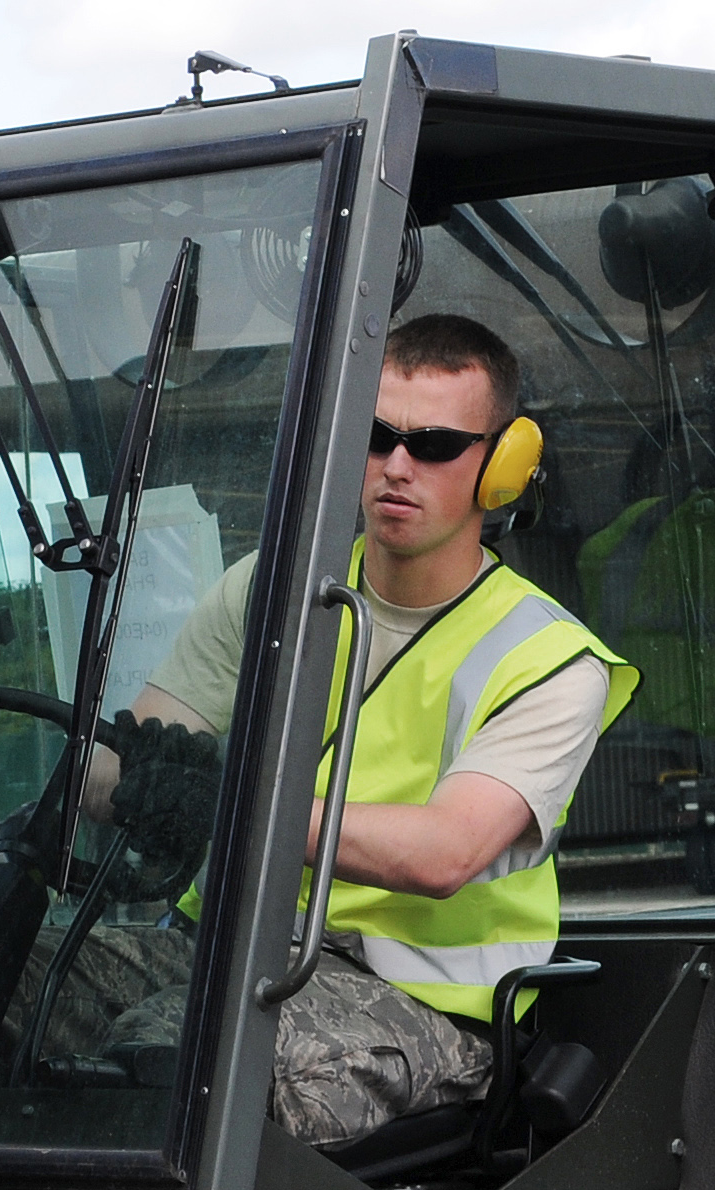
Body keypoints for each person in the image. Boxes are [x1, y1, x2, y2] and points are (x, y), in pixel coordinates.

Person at [87, 313, 638, 1146]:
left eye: (436, 445)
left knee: (173, 1064)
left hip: (423, 1003)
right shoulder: (268, 591)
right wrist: (133, 781)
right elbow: (116, 763)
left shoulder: (551, 660)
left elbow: (443, 854)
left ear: (505, 467)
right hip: (229, 950)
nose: (397, 467)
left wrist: (225, 805)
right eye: (376, 438)